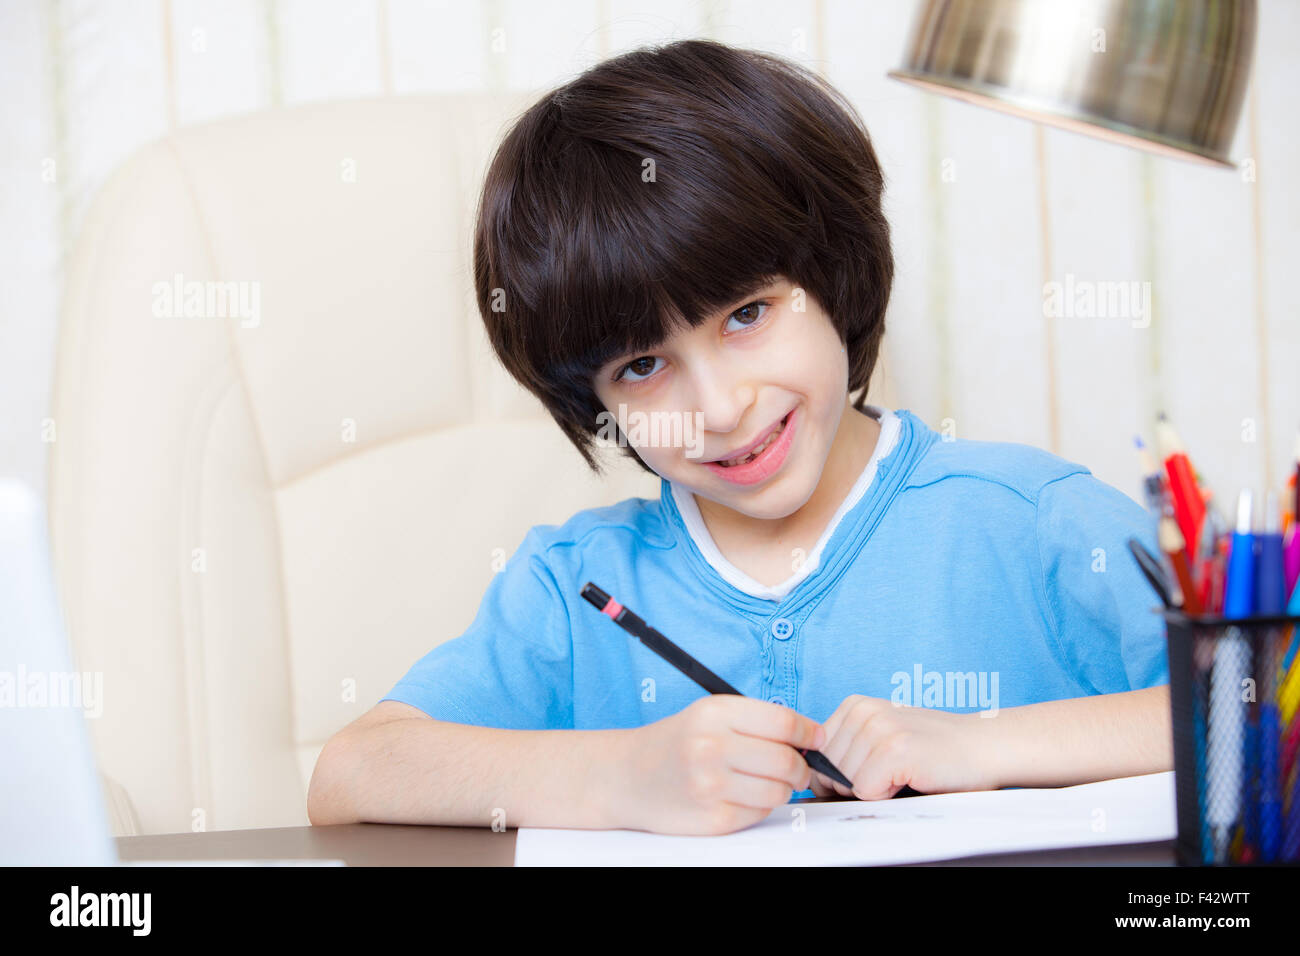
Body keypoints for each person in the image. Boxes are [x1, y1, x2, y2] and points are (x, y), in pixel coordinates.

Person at [308, 39, 1171, 836]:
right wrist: (620, 775)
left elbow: (1261, 699)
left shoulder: (1031, 522)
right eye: (643, 366)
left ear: (834, 276)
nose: (720, 407)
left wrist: (982, 746)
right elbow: (350, 778)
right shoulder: (573, 589)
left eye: (747, 314)